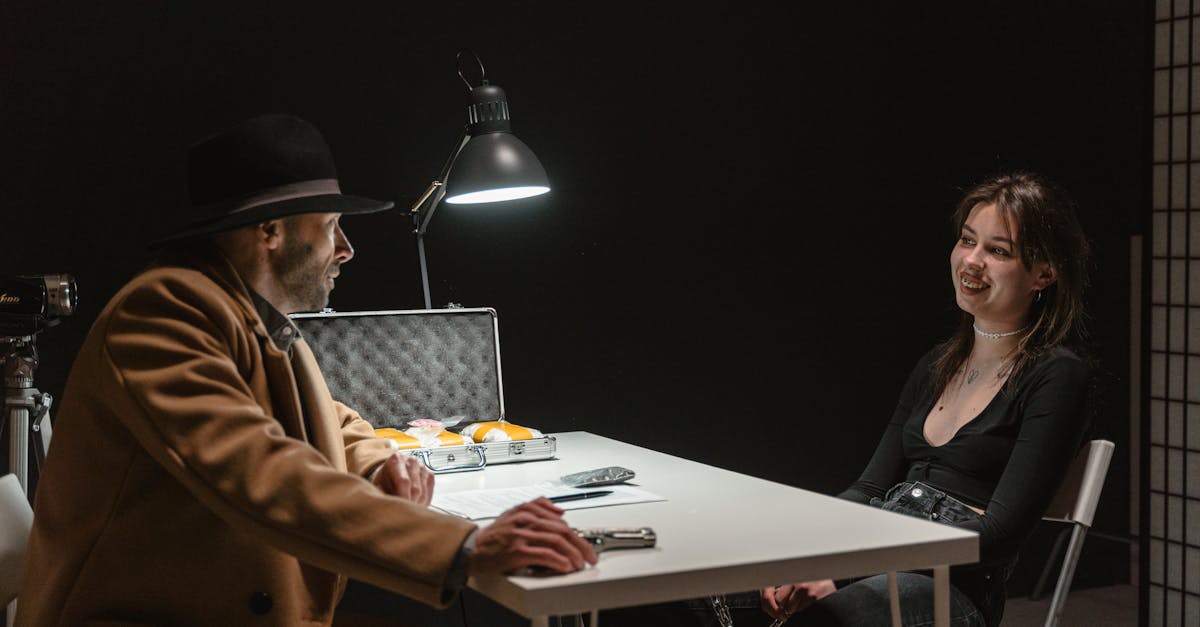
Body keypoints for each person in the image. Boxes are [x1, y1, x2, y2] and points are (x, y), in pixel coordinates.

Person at [16, 114, 595, 626]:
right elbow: (260, 469)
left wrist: (377, 465)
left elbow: (327, 417)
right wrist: (464, 547)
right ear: (269, 233)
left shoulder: (243, 310)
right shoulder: (162, 312)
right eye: (329, 228)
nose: (345, 250)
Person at [760, 172, 1093, 627]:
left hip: (952, 590)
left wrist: (845, 571)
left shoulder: (1057, 375)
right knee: (710, 588)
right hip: (878, 554)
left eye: (997, 251)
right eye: (967, 241)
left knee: (830, 616)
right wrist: (806, 551)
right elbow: (870, 490)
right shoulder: (937, 364)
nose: (971, 261)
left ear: (1044, 273)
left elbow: (998, 536)